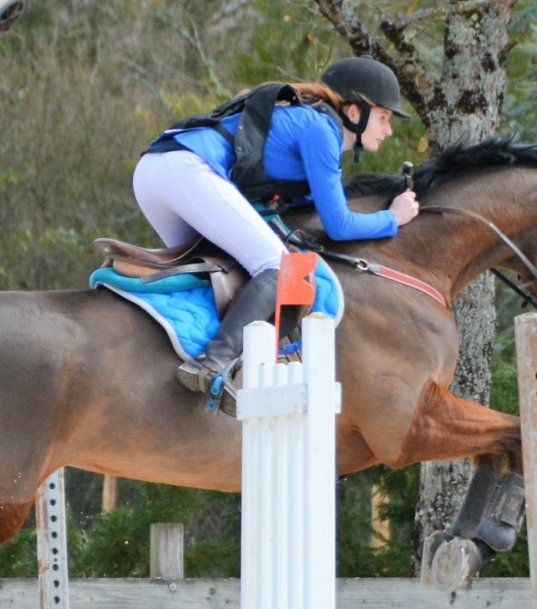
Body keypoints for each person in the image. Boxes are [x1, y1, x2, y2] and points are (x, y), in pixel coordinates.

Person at [134, 56, 419, 414]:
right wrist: (393, 217)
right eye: (384, 117)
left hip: (154, 173)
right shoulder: (320, 131)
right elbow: (339, 225)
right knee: (278, 266)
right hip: (185, 169)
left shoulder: (310, 124)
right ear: (353, 112)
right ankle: (212, 364)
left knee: (219, 272)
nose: (389, 129)